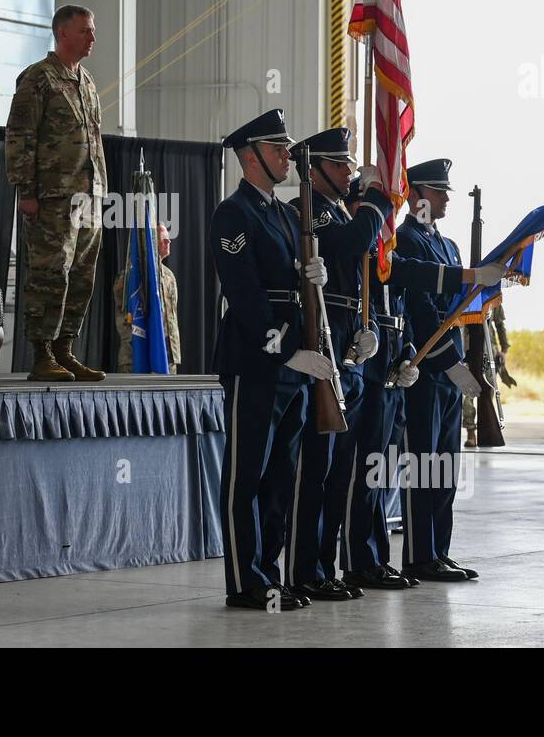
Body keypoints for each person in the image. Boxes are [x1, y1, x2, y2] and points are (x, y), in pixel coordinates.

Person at [209, 109, 332, 612]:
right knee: (248, 475)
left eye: (286, 148)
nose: (287, 156)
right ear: (250, 155)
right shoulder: (233, 214)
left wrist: (317, 280)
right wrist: (288, 350)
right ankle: (244, 581)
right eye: (278, 148)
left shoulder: (285, 214)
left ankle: (271, 573)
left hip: (294, 366)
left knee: (281, 476)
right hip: (257, 361)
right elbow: (247, 297)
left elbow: (292, 288)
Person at [281, 128, 389, 602]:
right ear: (318, 168)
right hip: (322, 342)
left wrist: (372, 333)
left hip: (348, 341)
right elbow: (350, 245)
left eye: (351, 166)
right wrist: (376, 199)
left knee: (341, 468)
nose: (350, 173)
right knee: (317, 468)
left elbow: (361, 271)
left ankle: (326, 566)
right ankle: (305, 568)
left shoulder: (339, 213)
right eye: (341, 165)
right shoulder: (306, 213)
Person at [7, 4, 109, 381]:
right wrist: (26, 190)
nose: (92, 37)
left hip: (89, 196)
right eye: (85, 30)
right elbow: (20, 137)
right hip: (53, 196)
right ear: (63, 33)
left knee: (81, 276)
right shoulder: (38, 79)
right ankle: (42, 352)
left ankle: (65, 349)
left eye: (93, 30)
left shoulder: (87, 81)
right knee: (51, 274)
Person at [398, 158, 488, 582]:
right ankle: (418, 554)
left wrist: (469, 363)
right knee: (423, 464)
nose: (446, 197)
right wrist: (450, 366)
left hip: (449, 372)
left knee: (446, 466)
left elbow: (460, 312)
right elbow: (420, 311)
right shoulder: (405, 240)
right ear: (416, 195)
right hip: (428, 369)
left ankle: (439, 549)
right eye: (438, 190)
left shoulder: (449, 246)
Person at [113, 224, 181, 373]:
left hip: (167, 357)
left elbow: (172, 317)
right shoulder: (130, 277)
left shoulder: (169, 276)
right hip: (137, 354)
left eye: (168, 239)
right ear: (151, 241)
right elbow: (126, 316)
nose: (168, 242)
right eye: (163, 239)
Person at [462, 302, 513, 447]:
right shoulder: (466, 294)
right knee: (468, 394)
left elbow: (500, 324)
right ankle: (471, 433)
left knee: (486, 393)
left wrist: (504, 349)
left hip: (489, 352)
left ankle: (486, 432)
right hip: (467, 349)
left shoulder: (492, 296)